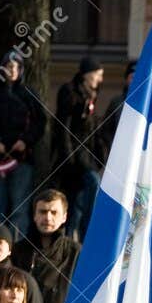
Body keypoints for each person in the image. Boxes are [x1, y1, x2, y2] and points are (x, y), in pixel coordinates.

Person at [0, 51, 45, 239]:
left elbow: (41, 123)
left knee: (19, 206)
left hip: (22, 159)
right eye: (8, 66)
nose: (11, 70)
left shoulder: (30, 95)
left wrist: (25, 141)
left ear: (21, 70)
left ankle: (17, 245)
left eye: (15, 67)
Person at [52, 56, 106, 236]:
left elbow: (93, 128)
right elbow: (63, 125)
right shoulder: (70, 92)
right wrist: (68, 156)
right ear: (86, 74)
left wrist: (100, 155)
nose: (100, 79)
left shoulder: (92, 95)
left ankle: (77, 237)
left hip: (86, 154)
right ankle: (84, 231)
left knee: (76, 201)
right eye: (97, 75)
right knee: (92, 183)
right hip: (73, 155)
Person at [12, 190, 81, 303]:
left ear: (64, 217)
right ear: (34, 216)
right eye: (42, 212)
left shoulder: (76, 253)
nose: (48, 217)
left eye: (54, 212)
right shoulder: (18, 250)